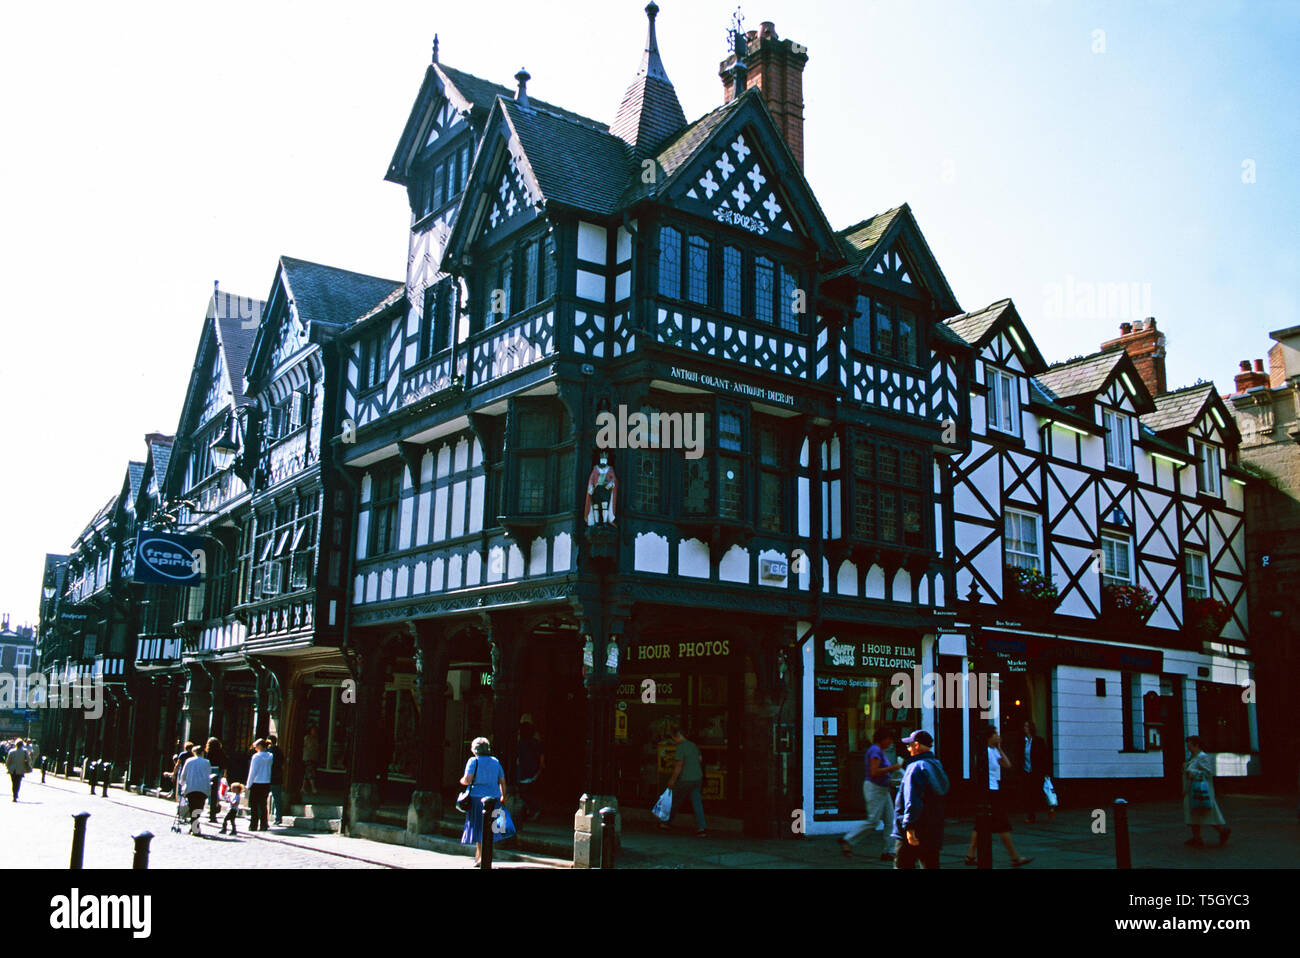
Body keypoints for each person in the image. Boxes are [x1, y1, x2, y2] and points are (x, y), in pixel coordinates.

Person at [965, 726, 1033, 866]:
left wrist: (1000, 748)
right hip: (989, 791)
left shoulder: (993, 751)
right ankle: (1015, 857)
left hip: (994, 788)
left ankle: (970, 855)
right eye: (996, 734)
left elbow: (1007, 764)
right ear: (989, 737)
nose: (998, 736)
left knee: (980, 825)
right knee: (1002, 824)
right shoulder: (985, 752)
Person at [840, 728, 903, 860]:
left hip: (882, 789)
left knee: (891, 820)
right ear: (883, 739)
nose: (890, 742)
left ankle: (889, 851)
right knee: (873, 820)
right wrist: (894, 768)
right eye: (889, 739)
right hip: (875, 789)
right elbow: (874, 772)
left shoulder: (878, 751)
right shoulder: (875, 751)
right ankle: (848, 839)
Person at [890, 730, 950, 869]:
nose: (908, 749)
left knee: (903, 864)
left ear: (916, 745)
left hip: (915, 829)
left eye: (909, 745)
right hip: (933, 827)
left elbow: (912, 800)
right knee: (930, 863)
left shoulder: (915, 767)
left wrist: (909, 827)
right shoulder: (936, 765)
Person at [459, 737, 507, 868]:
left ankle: (481, 858)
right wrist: (503, 795)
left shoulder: (473, 761)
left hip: (477, 798)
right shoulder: (495, 761)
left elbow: (467, 780)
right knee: (493, 828)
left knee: (479, 828)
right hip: (495, 798)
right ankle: (484, 855)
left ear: (475, 750)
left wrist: (462, 780)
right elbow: (502, 780)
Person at [659, 724, 707, 837]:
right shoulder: (693, 745)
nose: (673, 740)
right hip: (697, 777)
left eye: (673, 738)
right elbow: (700, 759)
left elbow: (678, 766)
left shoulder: (681, 747)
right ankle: (702, 827)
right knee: (697, 802)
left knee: (675, 800)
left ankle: (665, 822)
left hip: (686, 778)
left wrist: (672, 780)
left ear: (677, 736)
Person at [1184, 735, 1230, 846]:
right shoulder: (1193, 757)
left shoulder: (1202, 757)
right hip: (1192, 790)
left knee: (1208, 812)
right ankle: (1197, 838)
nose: (1188, 747)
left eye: (1189, 744)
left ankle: (1222, 831)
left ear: (1196, 745)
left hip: (1200, 790)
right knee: (1193, 813)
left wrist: (1192, 773)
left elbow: (1208, 773)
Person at [1014, 720, 1054, 823]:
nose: (1025, 728)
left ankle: (1049, 807)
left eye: (1027, 726)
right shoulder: (1022, 741)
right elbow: (1019, 756)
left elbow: (1044, 757)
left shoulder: (1038, 741)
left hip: (1037, 771)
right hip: (1026, 771)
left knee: (1038, 792)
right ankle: (1031, 815)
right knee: (1028, 794)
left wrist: (1046, 771)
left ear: (1031, 728)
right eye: (1024, 726)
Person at [178, 745, 213, 836]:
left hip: (191, 787)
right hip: (202, 788)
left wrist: (182, 784)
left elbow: (183, 775)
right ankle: (195, 828)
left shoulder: (189, 761)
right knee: (198, 808)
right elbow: (208, 774)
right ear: (202, 752)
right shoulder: (206, 762)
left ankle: (194, 827)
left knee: (193, 807)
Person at [516, 721, 545, 823]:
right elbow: (541, 756)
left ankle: (534, 809)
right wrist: (540, 767)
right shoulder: (535, 742)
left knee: (523, 793)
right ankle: (531, 810)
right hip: (533, 771)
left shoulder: (521, 743)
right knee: (527, 792)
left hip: (524, 771)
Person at [246, 739, 273, 832]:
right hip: (266, 782)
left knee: (254, 805)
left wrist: (248, 784)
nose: (255, 748)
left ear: (260, 746)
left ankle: (253, 825)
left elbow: (252, 771)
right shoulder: (270, 756)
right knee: (263, 804)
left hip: (256, 782)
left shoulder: (256, 757)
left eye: (256, 746)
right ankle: (264, 824)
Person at [205, 737, 226, 823]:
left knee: (210, 790)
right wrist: (224, 773)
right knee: (215, 790)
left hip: (210, 770)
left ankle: (212, 807)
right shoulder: (221, 752)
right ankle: (214, 806)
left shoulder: (208, 752)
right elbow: (224, 762)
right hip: (218, 770)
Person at [267, 734, 285, 825]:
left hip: (269, 777)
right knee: (277, 798)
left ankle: (262, 817)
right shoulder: (280, 751)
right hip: (278, 777)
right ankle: (278, 817)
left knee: (264, 797)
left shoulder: (269, 752)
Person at [302, 727, 319, 794]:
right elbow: (307, 746)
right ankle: (313, 788)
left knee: (307, 773)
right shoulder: (307, 738)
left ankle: (303, 788)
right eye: (313, 731)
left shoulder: (315, 739)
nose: (314, 732)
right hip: (308, 757)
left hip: (313, 757)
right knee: (310, 772)